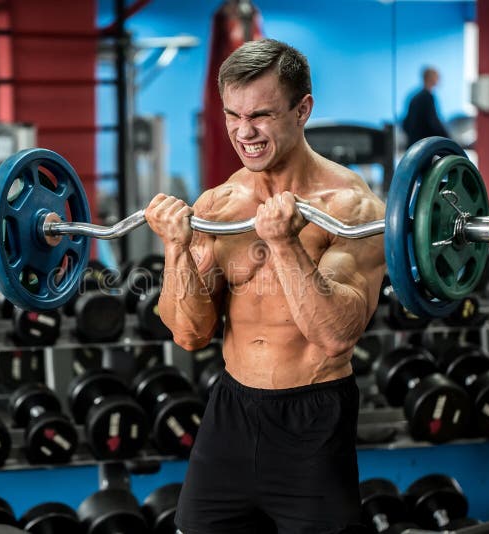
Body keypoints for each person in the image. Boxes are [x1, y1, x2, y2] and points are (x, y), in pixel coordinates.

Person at [145, 39, 386, 533]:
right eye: (232, 115)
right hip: (230, 411)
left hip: (313, 419)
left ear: (303, 110)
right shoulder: (218, 205)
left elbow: (336, 335)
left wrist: (284, 245)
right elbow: (191, 335)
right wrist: (174, 248)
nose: (243, 132)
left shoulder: (352, 208)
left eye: (260, 115)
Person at [402, 67, 450, 147]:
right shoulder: (427, 97)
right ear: (430, 78)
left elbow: (406, 123)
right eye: (436, 76)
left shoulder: (415, 96)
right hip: (424, 145)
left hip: (414, 144)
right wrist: (447, 138)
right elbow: (433, 123)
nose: (438, 79)